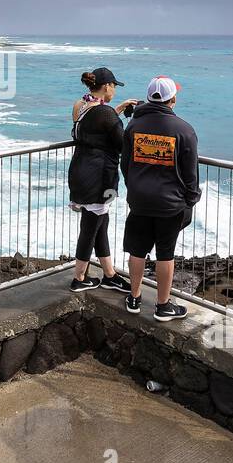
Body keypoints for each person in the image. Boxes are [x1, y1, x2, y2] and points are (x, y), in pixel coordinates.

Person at [119, 76, 201, 321]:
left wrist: (134, 187)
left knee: (137, 251)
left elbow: (125, 165)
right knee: (165, 254)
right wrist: (191, 199)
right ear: (172, 100)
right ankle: (163, 306)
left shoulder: (133, 126)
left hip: (139, 200)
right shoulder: (184, 130)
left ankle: (134, 298)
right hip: (170, 204)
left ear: (148, 98)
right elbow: (191, 174)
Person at [67, 66, 137, 293]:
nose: (115, 90)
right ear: (107, 86)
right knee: (90, 227)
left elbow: (93, 128)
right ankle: (79, 277)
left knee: (100, 223)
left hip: (80, 171)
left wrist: (115, 111)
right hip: (98, 177)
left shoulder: (82, 106)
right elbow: (123, 144)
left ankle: (109, 274)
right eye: (114, 86)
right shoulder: (105, 114)